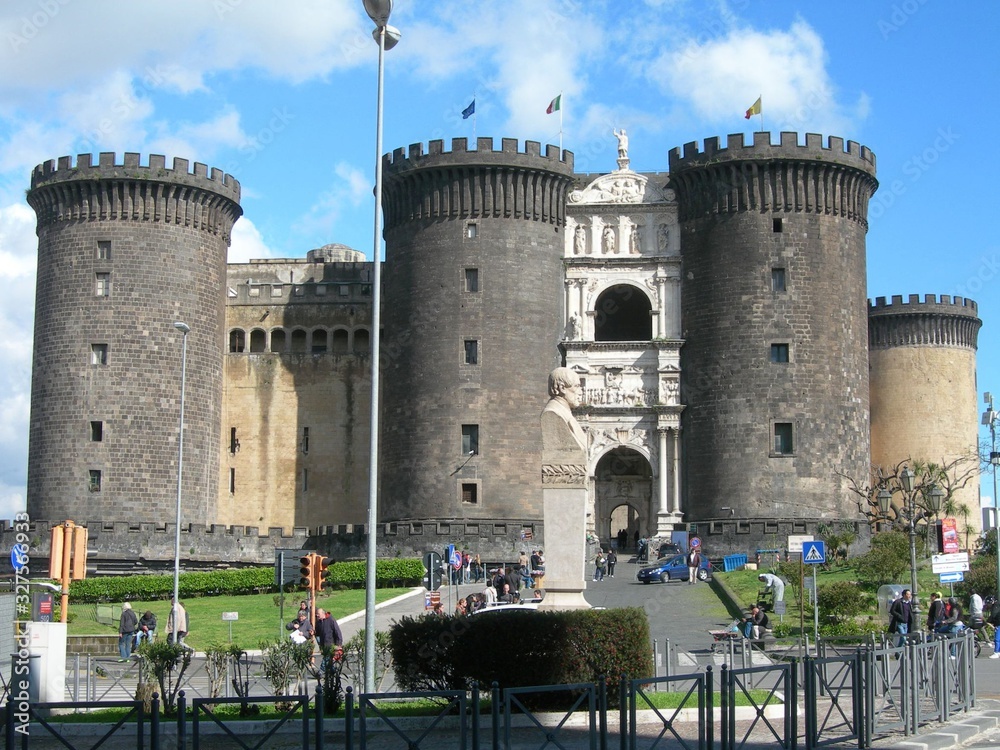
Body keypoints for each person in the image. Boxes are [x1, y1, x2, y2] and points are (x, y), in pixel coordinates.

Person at [540, 367, 588, 455]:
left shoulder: (566, 414)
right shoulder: (552, 414)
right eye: (576, 386)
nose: (581, 392)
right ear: (562, 388)